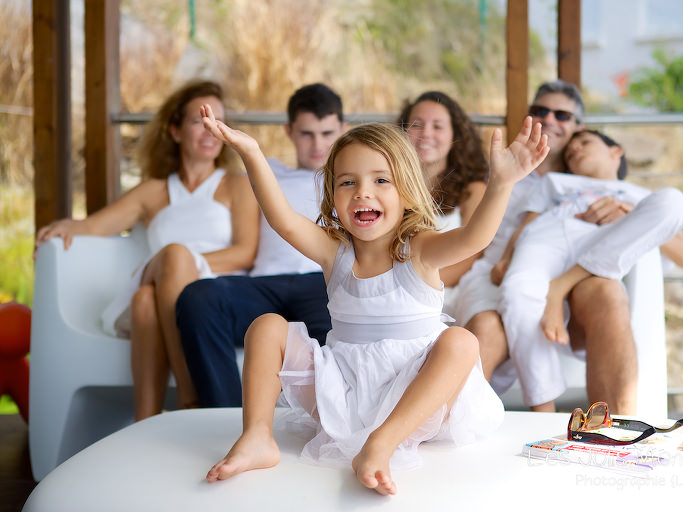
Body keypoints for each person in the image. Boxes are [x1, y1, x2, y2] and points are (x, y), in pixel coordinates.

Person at [197, 107, 548, 494]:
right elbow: (281, 219)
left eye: (381, 180)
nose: (363, 192)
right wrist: (251, 152)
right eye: (347, 183)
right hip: (344, 396)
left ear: (407, 190)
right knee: (266, 326)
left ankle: (382, 443)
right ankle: (258, 436)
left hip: (417, 402)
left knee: (461, 341)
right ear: (332, 195)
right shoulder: (335, 252)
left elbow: (475, 238)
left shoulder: (420, 250)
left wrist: (501, 183)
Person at [34, 80, 259, 420]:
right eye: (199, 120)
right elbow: (94, 226)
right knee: (170, 261)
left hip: (218, 292)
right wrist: (65, 227)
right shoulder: (152, 192)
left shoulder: (237, 184)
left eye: (217, 120)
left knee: (148, 293)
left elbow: (245, 252)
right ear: (175, 130)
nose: (210, 129)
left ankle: (159, 413)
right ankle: (179, 401)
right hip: (166, 279)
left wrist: (181, 266)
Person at [454, 80, 646, 414]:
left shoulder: (590, 180)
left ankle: (617, 428)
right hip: (496, 272)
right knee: (488, 328)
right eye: (540, 111)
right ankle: (454, 431)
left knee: (608, 293)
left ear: (578, 128)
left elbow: (671, 234)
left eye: (562, 114)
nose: (550, 119)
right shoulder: (503, 169)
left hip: (564, 276)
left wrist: (628, 213)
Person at [490, 129, 683, 412]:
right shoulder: (555, 181)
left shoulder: (639, 195)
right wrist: (507, 257)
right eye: (570, 149)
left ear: (615, 153)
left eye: (585, 142)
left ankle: (560, 286)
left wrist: (629, 212)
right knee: (516, 291)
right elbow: (528, 222)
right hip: (550, 234)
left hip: (603, 242)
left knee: (676, 202)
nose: (575, 149)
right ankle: (543, 409)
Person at [175, 83, 345, 407]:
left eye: (327, 133)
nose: (318, 144)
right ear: (289, 131)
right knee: (199, 297)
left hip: (321, 282)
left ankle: (327, 424)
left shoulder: (350, 178)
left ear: (342, 129)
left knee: (339, 327)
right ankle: (222, 415)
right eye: (307, 133)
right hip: (264, 285)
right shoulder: (265, 171)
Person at [397, 92, 488, 300]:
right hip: (395, 290)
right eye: (417, 125)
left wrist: (421, 287)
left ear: (455, 136)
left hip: (447, 292)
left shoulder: (472, 189)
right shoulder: (388, 183)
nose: (426, 134)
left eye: (437, 126)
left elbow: (473, 255)